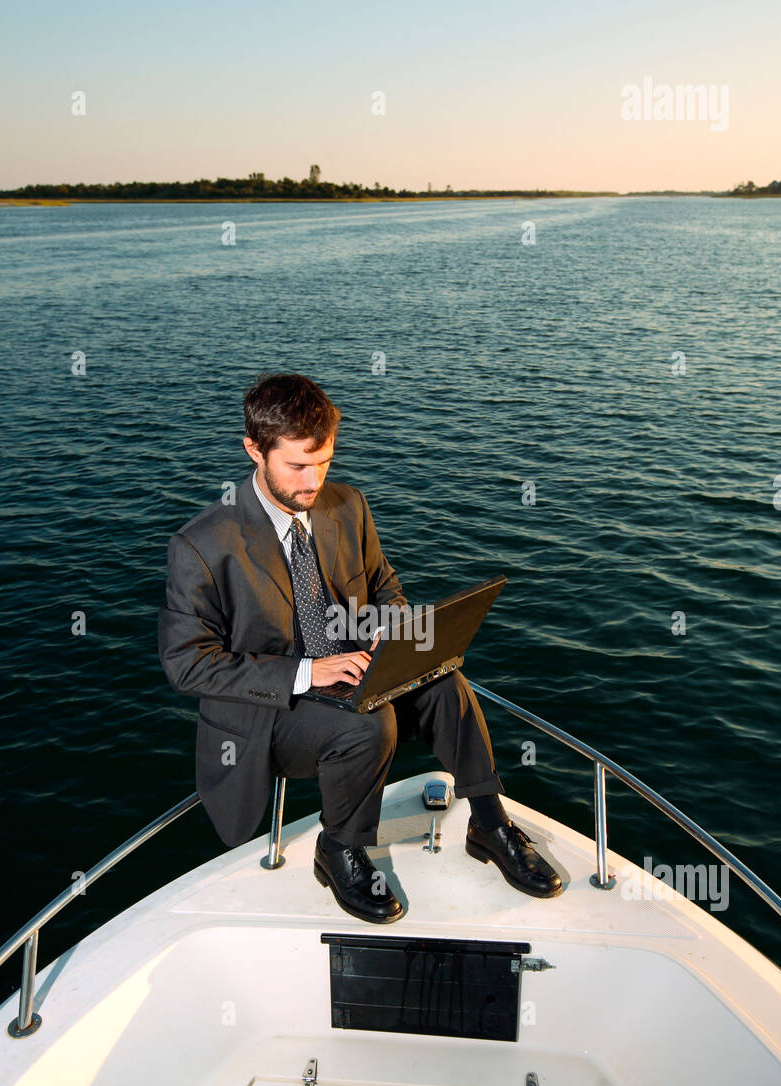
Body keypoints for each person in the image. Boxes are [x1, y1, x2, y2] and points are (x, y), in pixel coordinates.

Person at [158, 373, 562, 923]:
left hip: (351, 670)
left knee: (444, 678)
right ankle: (340, 850)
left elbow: (382, 587)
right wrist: (307, 672)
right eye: (297, 465)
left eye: (324, 461)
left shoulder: (347, 505)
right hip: (272, 714)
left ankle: (489, 824)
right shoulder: (202, 545)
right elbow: (187, 665)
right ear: (254, 449)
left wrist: (387, 627)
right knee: (370, 726)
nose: (313, 480)